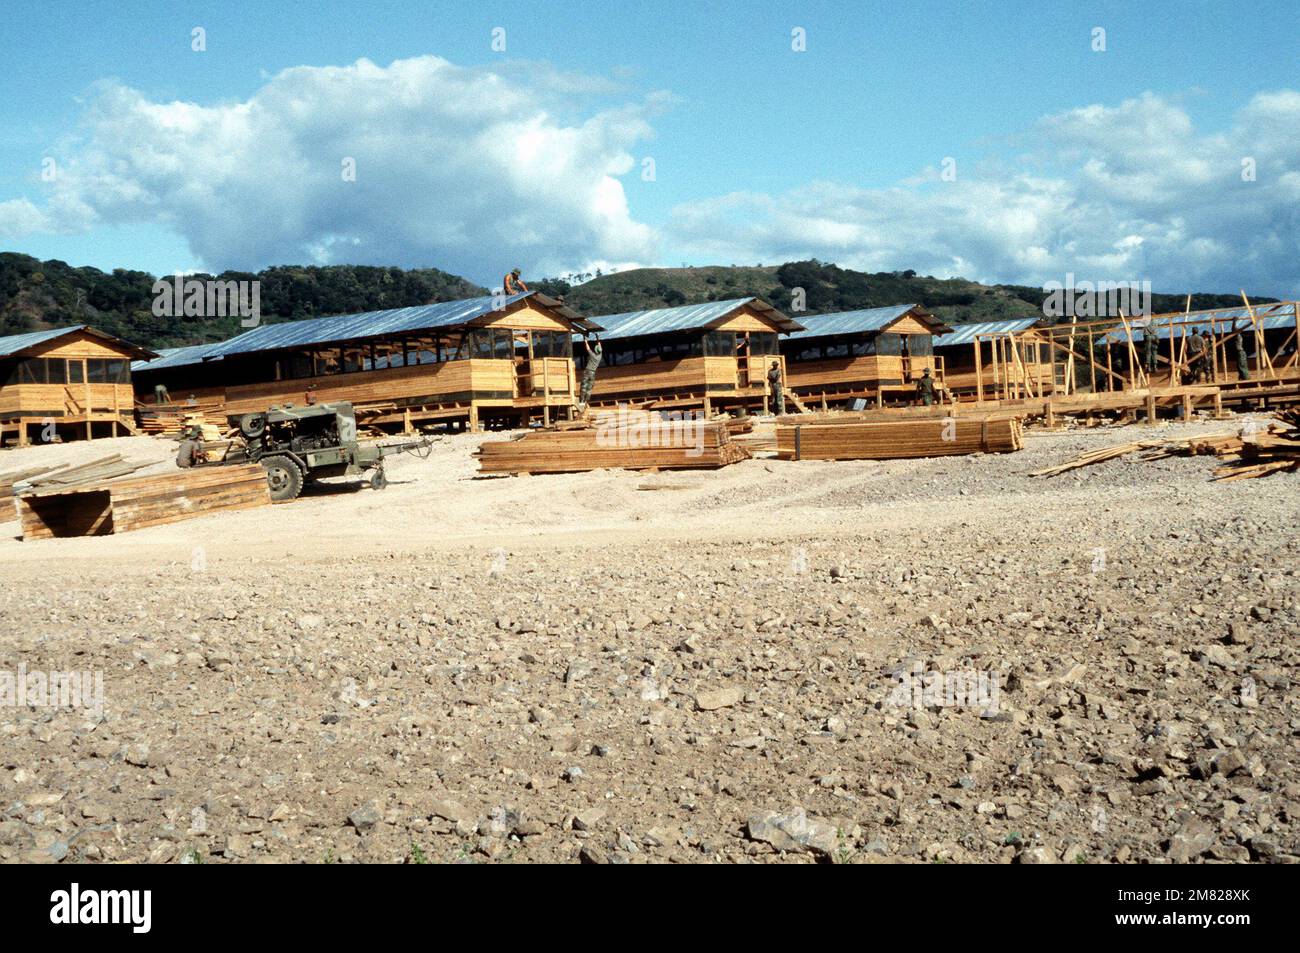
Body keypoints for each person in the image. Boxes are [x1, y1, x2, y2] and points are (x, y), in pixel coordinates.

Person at [578, 335, 602, 410]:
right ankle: (586, 401)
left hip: (587, 372)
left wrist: (585, 341)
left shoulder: (593, 355)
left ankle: (582, 401)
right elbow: (600, 346)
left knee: (584, 386)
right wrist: (598, 338)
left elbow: (588, 348)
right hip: (593, 373)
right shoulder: (600, 356)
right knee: (589, 388)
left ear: (595, 350)